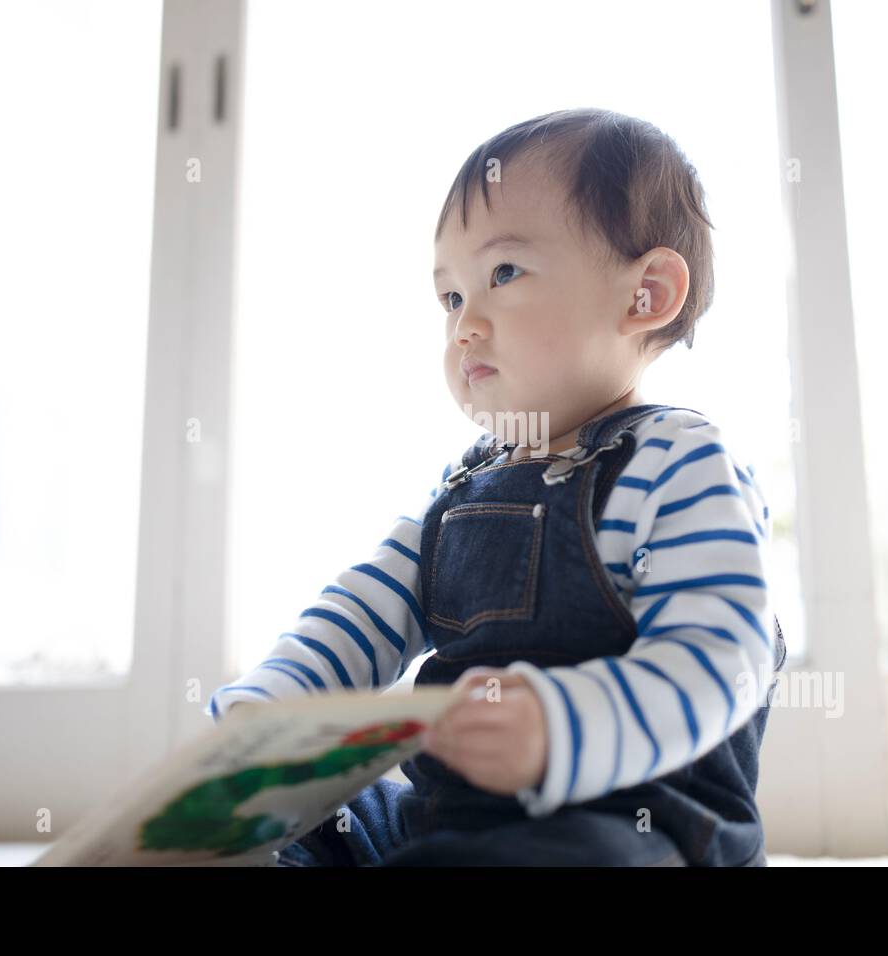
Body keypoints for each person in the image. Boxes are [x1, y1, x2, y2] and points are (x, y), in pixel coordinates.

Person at [208, 107, 787, 866]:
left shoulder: (678, 463)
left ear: (644, 295)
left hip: (634, 826)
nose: (463, 326)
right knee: (309, 824)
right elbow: (358, 611)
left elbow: (723, 658)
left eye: (503, 274)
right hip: (449, 821)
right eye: (449, 299)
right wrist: (271, 712)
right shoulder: (465, 485)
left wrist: (560, 729)